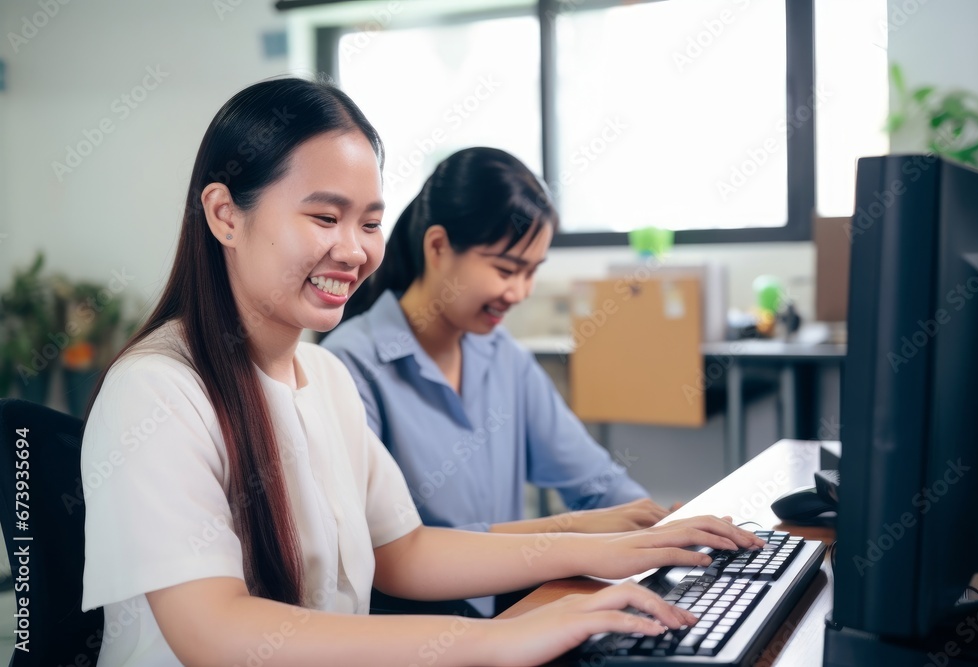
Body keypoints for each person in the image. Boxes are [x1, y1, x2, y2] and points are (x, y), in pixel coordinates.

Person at [80, 77, 764, 667]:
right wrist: (496, 638)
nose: (353, 250)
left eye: (370, 223)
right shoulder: (156, 391)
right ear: (225, 214)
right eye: (324, 216)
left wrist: (603, 548)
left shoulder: (324, 379)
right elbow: (214, 631)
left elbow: (404, 550)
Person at [322, 147, 678, 611]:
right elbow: (387, 553)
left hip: (509, 615)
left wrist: (665, 534)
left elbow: (596, 485)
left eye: (532, 272)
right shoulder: (351, 367)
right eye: (506, 269)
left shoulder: (504, 357)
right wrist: (570, 529)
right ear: (437, 248)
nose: (520, 292)